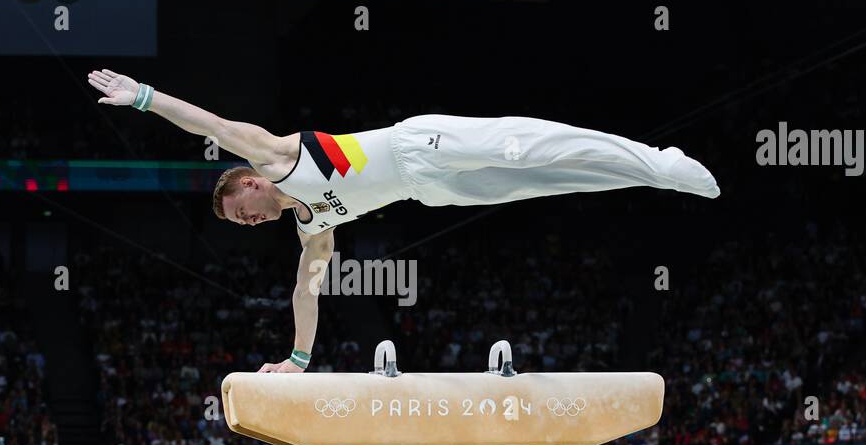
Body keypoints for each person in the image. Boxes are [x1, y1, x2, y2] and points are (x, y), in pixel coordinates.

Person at [87, 73, 718, 373]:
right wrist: (297, 359)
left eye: (241, 213)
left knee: (527, 147)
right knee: (533, 184)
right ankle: (654, 177)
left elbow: (212, 125)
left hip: (422, 144)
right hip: (429, 189)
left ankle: (659, 160)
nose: (247, 223)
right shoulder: (312, 227)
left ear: (248, 184)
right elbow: (306, 291)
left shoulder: (276, 158)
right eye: (242, 224)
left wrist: (143, 98)